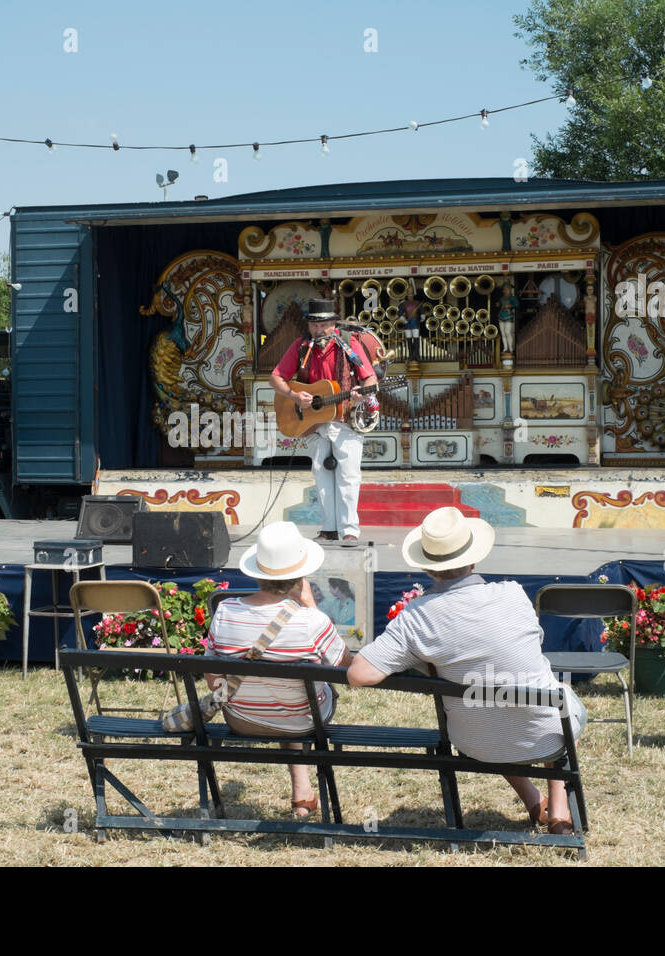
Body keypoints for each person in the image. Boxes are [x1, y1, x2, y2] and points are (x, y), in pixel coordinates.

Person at [347, 507, 587, 835]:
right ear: (473, 559)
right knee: (543, 703)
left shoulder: (416, 617)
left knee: (490, 711)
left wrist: (419, 659)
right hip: (545, 731)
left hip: (476, 741)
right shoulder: (514, 594)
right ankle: (558, 813)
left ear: (426, 567)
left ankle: (535, 802)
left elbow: (359, 675)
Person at [205, 522, 350, 817]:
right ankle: (303, 793)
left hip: (241, 718)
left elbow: (212, 682)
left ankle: (302, 792)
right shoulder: (311, 621)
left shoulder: (225, 612)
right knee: (297, 699)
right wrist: (311, 606)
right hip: (304, 719)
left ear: (257, 572)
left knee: (282, 695)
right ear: (299, 577)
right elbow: (345, 666)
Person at [270, 297, 379, 543]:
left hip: (345, 419)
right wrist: (294, 395)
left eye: (323, 325)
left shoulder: (349, 345)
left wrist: (361, 393)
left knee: (348, 475)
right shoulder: (301, 346)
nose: (318, 330)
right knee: (320, 473)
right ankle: (329, 528)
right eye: (314, 325)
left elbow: (369, 378)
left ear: (333, 324)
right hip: (313, 421)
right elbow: (275, 378)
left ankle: (349, 529)